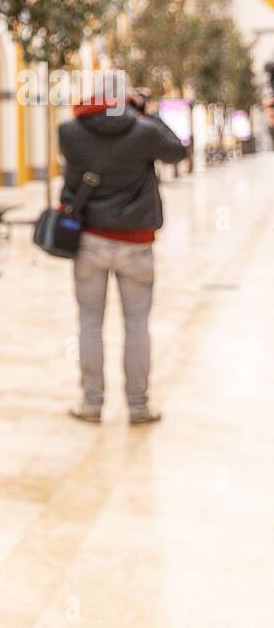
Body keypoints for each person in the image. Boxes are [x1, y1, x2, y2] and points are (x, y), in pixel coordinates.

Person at [59, 90, 186, 426]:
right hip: (136, 244)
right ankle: (138, 406)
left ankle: (91, 403)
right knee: (137, 326)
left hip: (89, 241)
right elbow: (177, 151)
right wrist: (150, 113)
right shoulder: (144, 132)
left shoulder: (69, 131)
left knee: (89, 323)